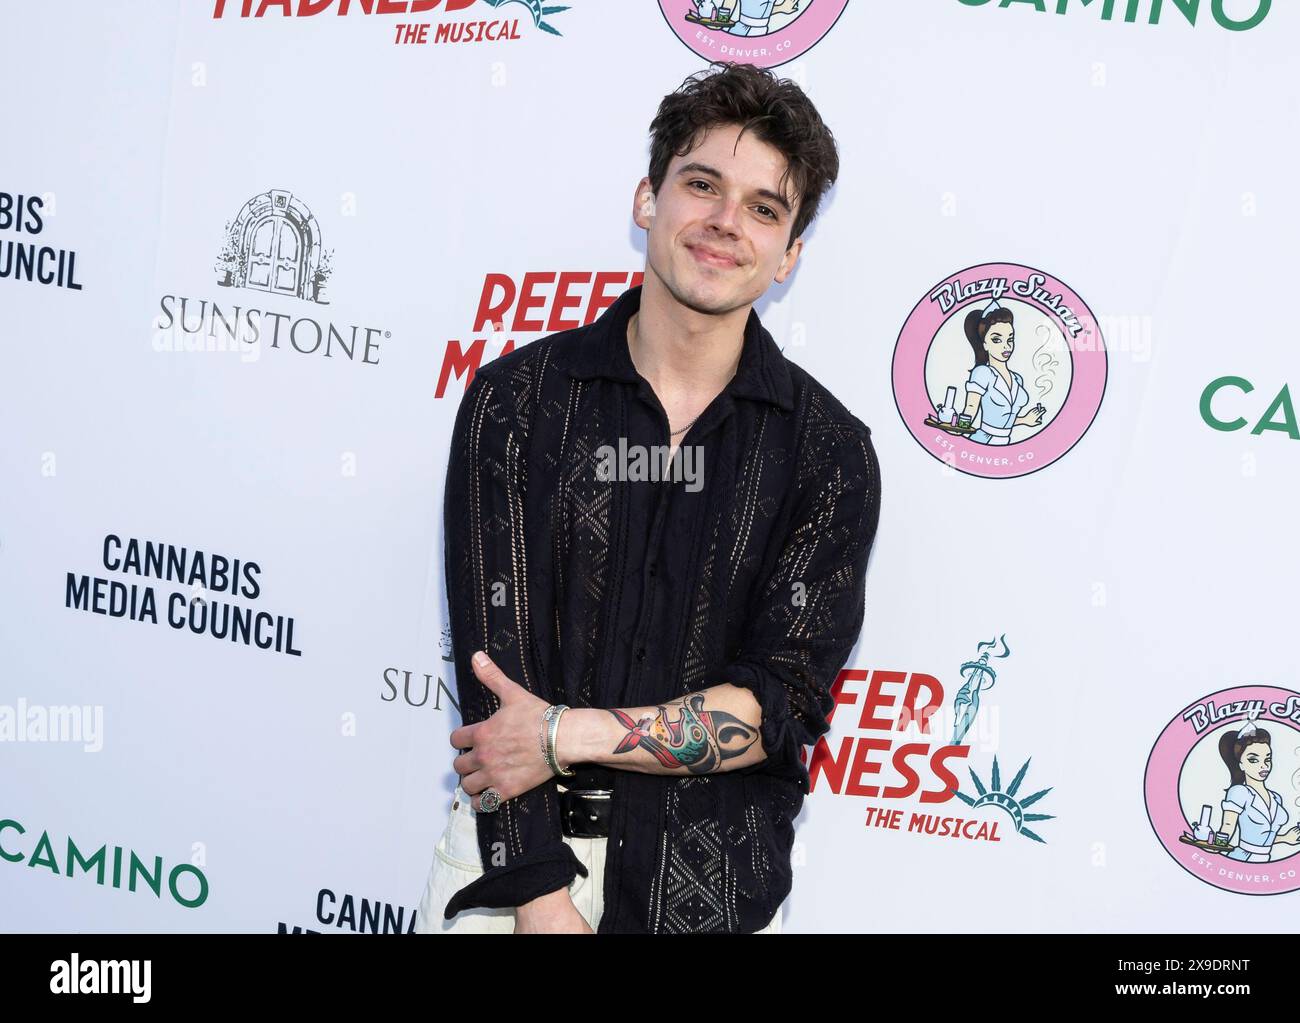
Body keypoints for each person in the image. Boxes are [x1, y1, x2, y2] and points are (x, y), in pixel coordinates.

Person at [415, 60, 882, 934]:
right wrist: (541, 899)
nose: (723, 223)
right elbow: (493, 679)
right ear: (647, 200)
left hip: (711, 891)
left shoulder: (829, 454)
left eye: (764, 208)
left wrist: (566, 733)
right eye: (701, 185)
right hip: (511, 868)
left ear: (789, 255)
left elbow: (776, 707)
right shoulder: (518, 401)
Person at [958, 299, 1044, 445]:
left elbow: (1003, 419)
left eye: (1010, 339)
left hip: (1005, 441)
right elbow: (971, 408)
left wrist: (1025, 420)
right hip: (984, 440)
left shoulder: (1017, 379)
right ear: (985, 344)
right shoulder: (983, 373)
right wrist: (958, 427)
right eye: (997, 340)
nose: (1006, 346)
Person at [1216, 718, 1300, 862]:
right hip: (1243, 857)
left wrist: (1286, 838)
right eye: (1254, 760)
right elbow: (1228, 826)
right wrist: (1214, 844)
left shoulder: (1275, 798)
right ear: (1241, 764)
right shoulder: (1239, 792)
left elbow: (1263, 838)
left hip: (1265, 859)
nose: (1263, 766)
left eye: (1267, 759)